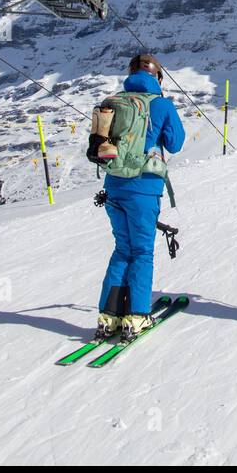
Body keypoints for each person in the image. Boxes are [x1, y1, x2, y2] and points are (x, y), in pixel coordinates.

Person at [96, 53, 185, 342]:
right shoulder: (161, 105)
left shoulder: (112, 103)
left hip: (113, 185)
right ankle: (136, 316)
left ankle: (108, 318)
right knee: (142, 251)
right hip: (144, 188)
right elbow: (176, 143)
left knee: (122, 248)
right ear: (158, 78)